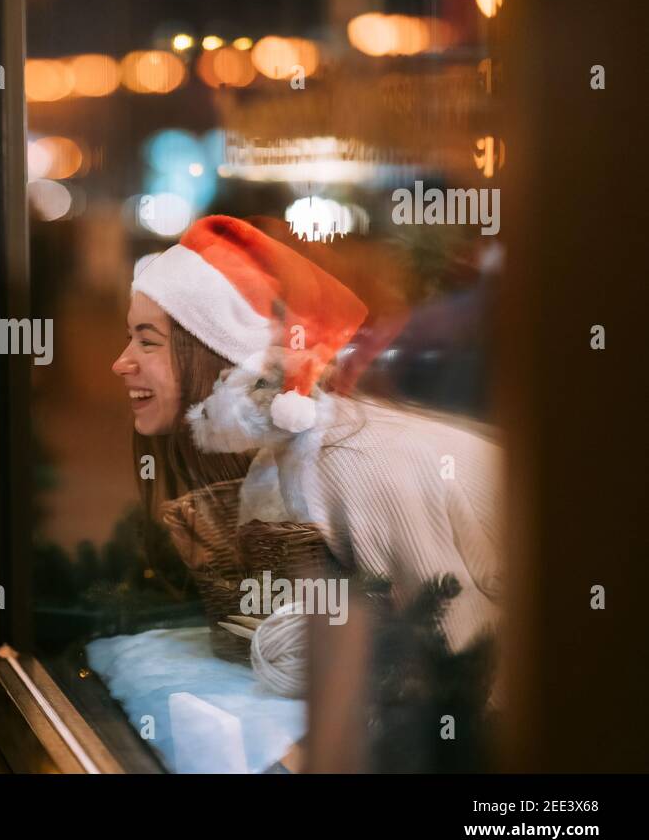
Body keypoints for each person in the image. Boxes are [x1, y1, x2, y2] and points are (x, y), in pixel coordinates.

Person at [112, 214, 501, 655]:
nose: (120, 362)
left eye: (147, 341)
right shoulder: (277, 462)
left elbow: (462, 657)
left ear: (216, 354)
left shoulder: (352, 465)